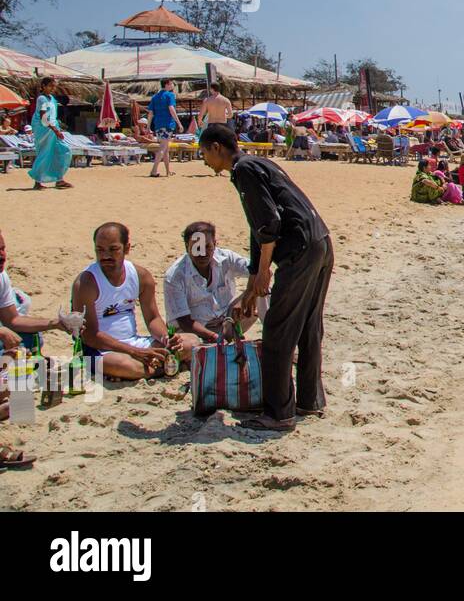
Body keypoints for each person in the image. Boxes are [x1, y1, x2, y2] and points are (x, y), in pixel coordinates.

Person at [198, 124, 333, 431]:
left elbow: (268, 225)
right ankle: (309, 400)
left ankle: (278, 412)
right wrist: (252, 280)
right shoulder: (259, 163)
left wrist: (263, 274)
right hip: (320, 242)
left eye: (204, 152)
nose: (204, 160)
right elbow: (258, 229)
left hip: (299, 249)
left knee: (278, 329)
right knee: (309, 326)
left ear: (217, 148)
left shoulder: (244, 170)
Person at [70, 222, 173, 380]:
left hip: (133, 342)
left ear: (127, 248)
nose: (105, 256)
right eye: (100, 250)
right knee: (126, 365)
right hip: (101, 349)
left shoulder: (141, 276)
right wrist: (133, 352)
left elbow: (153, 318)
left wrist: (166, 338)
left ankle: (155, 368)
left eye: (113, 249)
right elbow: (89, 336)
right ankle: (165, 368)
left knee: (189, 343)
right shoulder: (86, 283)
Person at [164, 221, 265, 351]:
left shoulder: (226, 258)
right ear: (186, 247)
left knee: (262, 291)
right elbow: (185, 321)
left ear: (215, 244)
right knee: (187, 345)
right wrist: (215, 336)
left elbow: (261, 272)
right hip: (194, 332)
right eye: (196, 248)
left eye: (207, 247)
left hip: (226, 323)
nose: (203, 253)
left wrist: (248, 294)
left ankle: (275, 341)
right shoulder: (174, 276)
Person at [0, 229, 78, 351]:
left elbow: (12, 320)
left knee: (33, 339)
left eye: (2, 249)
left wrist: (55, 323)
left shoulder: (1, 276)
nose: (2, 256)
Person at [27, 77, 73, 190]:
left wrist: (57, 128)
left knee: (63, 151)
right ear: (43, 86)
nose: (53, 88)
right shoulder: (42, 99)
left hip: (53, 128)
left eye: (54, 86)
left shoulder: (52, 98)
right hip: (44, 130)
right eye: (50, 86)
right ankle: (38, 181)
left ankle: (59, 179)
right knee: (44, 154)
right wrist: (55, 130)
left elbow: (53, 116)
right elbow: (43, 118)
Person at [148, 79, 180, 178]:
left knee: (165, 148)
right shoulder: (170, 95)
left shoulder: (155, 97)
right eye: (171, 84)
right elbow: (171, 109)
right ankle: (154, 170)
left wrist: (148, 126)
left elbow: (150, 113)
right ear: (167, 84)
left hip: (158, 124)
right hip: (168, 124)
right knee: (163, 147)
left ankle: (168, 171)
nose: (173, 85)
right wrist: (179, 123)